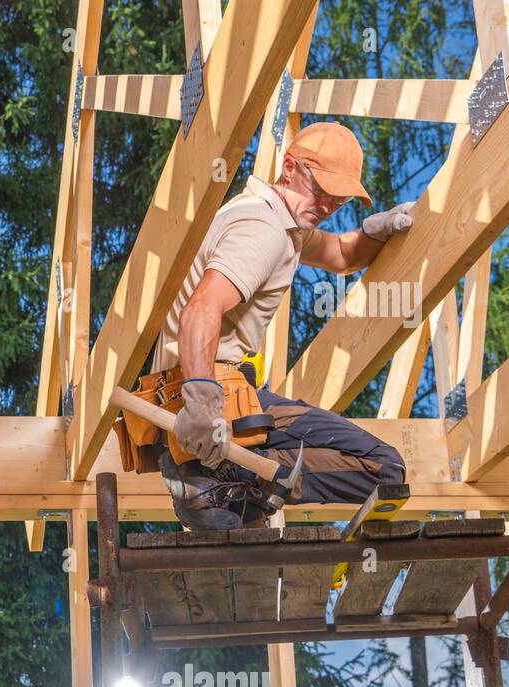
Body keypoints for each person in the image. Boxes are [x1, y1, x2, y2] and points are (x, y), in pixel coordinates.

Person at [150, 121, 410, 530]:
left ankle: (220, 484)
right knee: (384, 467)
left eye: (338, 200)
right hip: (214, 396)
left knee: (250, 529)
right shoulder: (263, 229)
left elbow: (339, 254)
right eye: (321, 190)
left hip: (213, 396)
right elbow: (201, 308)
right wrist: (202, 404)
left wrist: (371, 233)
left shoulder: (280, 222)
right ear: (289, 167)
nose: (327, 206)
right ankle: (224, 477)